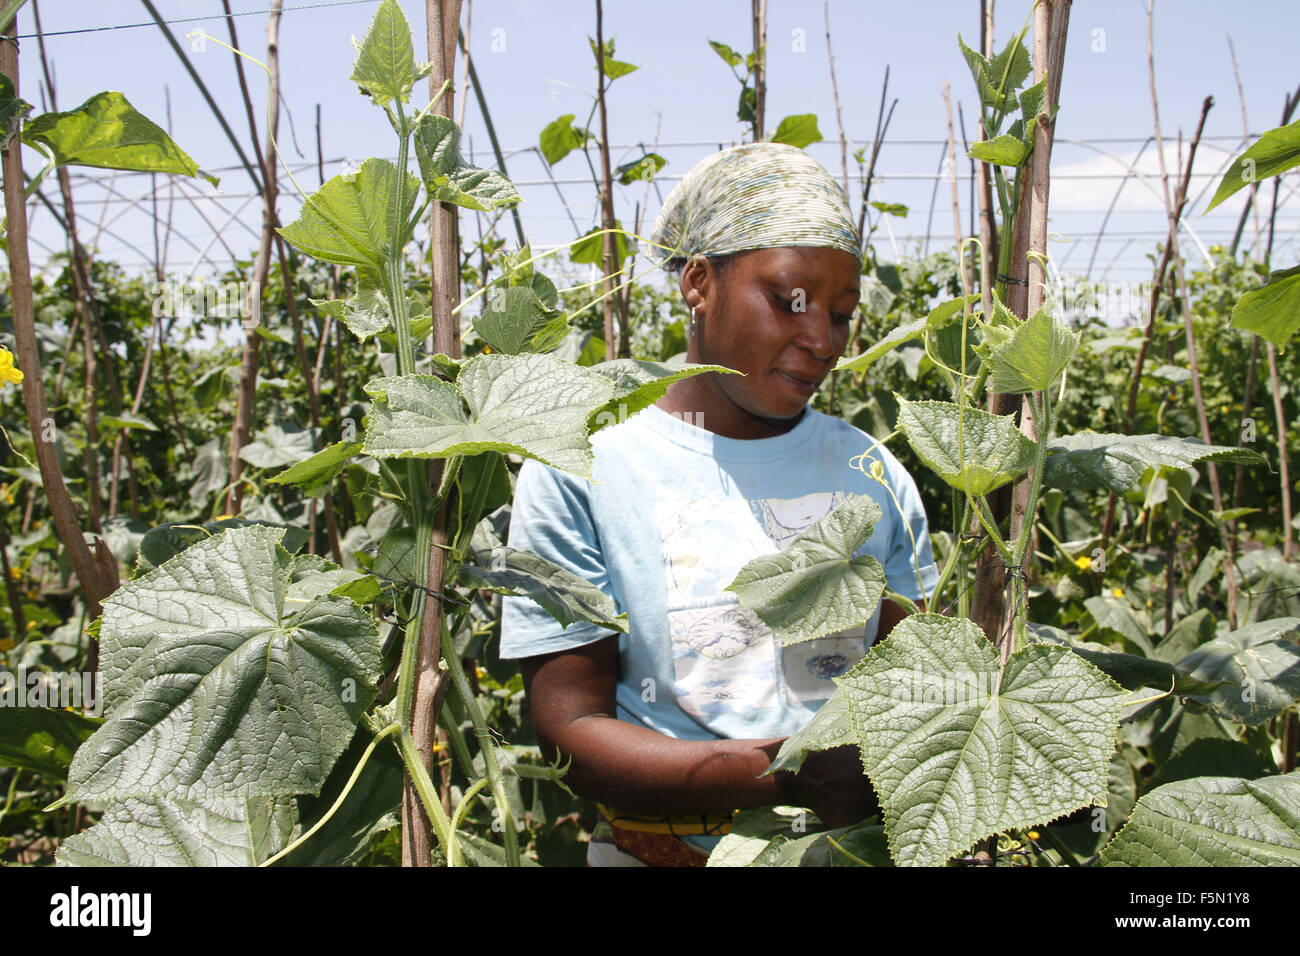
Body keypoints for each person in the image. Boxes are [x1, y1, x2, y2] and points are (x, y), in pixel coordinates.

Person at [499, 142, 940, 866]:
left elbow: (919, 677)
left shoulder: (872, 469)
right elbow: (569, 730)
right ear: (699, 283)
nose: (821, 339)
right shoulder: (584, 467)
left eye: (842, 313)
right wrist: (783, 773)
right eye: (788, 301)